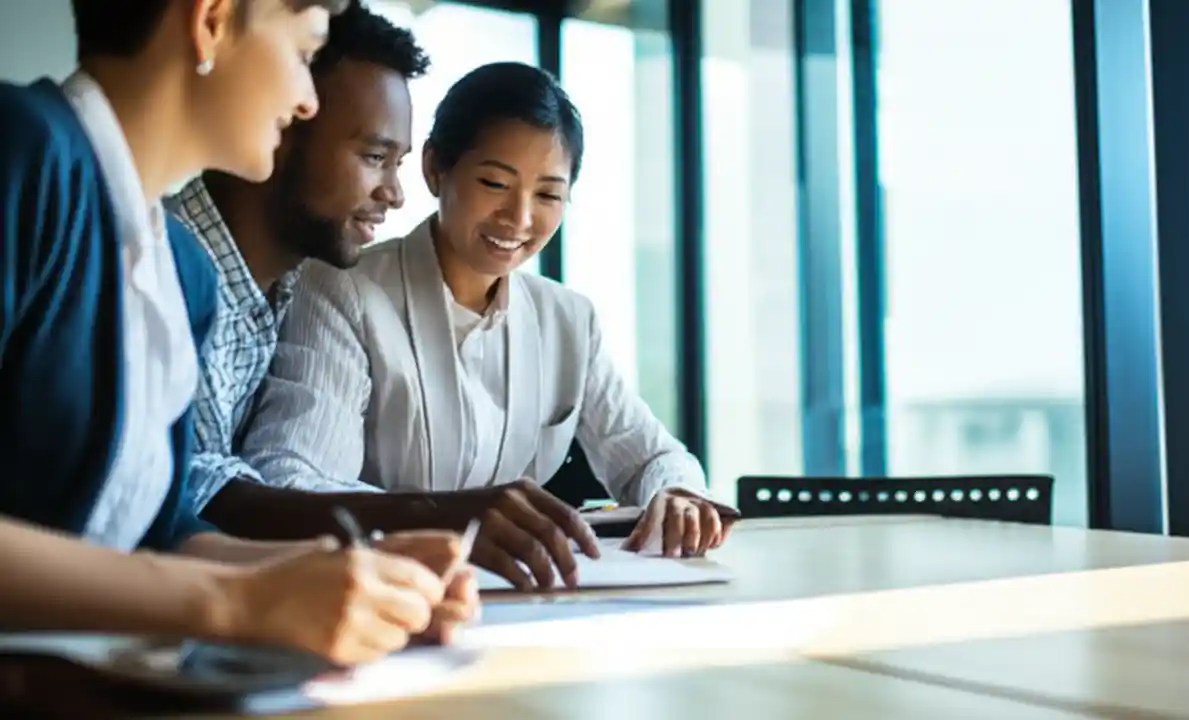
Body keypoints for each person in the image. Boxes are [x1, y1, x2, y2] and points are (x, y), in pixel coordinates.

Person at [0, 0, 475, 665]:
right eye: (306, 55)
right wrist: (239, 603)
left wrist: (344, 571)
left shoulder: (185, 273)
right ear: (213, 21)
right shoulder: (21, 151)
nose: (308, 102)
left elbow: (148, 536)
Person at [241, 62, 735, 592]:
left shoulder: (569, 320)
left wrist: (679, 493)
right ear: (435, 169)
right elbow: (288, 477)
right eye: (495, 182)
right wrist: (441, 518)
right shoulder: (342, 289)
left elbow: (654, 456)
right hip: (379, 591)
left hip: (525, 601)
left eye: (547, 195)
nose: (519, 218)